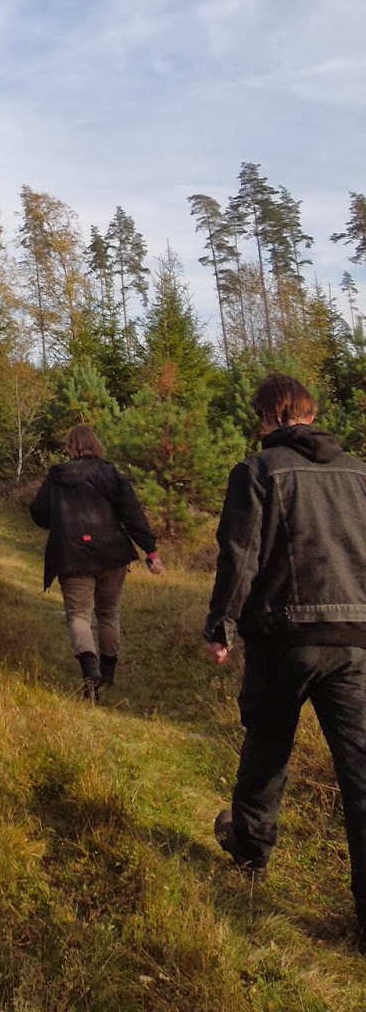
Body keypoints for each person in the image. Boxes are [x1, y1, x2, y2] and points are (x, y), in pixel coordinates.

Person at [205, 373, 366, 940]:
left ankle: (250, 853)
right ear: (310, 413)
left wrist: (221, 624)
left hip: (283, 640)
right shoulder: (360, 473)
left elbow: (240, 557)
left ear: (268, 418)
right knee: (361, 776)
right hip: (355, 643)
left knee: (268, 743)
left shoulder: (257, 471)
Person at [30, 425, 163, 698]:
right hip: (111, 555)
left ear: (70, 447)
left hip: (71, 556)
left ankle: (91, 675)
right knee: (108, 613)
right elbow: (132, 514)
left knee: (79, 614)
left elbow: (39, 513)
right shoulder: (110, 473)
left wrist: (60, 521)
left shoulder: (57, 477)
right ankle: (109, 676)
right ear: (96, 445)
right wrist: (151, 552)